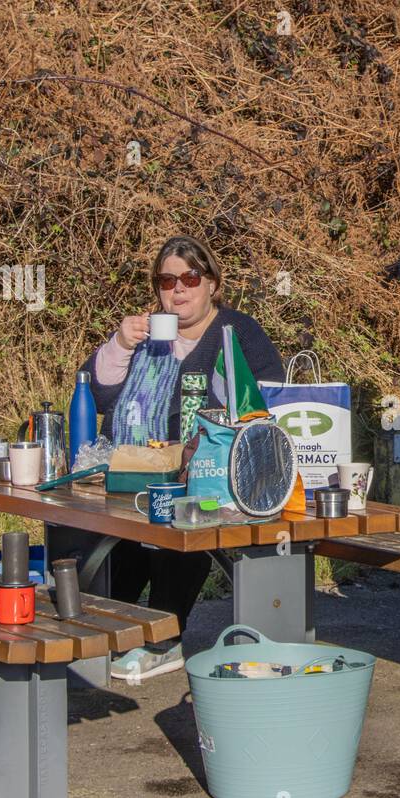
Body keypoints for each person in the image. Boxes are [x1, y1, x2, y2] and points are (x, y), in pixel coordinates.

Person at [79, 234, 284, 681]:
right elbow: (94, 393)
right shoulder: (148, 337)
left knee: (183, 517)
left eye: (190, 277)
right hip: (136, 471)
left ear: (211, 283)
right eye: (167, 280)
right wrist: (118, 344)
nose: (178, 289)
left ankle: (164, 640)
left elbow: (269, 399)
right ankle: (109, 632)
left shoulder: (237, 331)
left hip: (215, 476)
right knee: (106, 531)